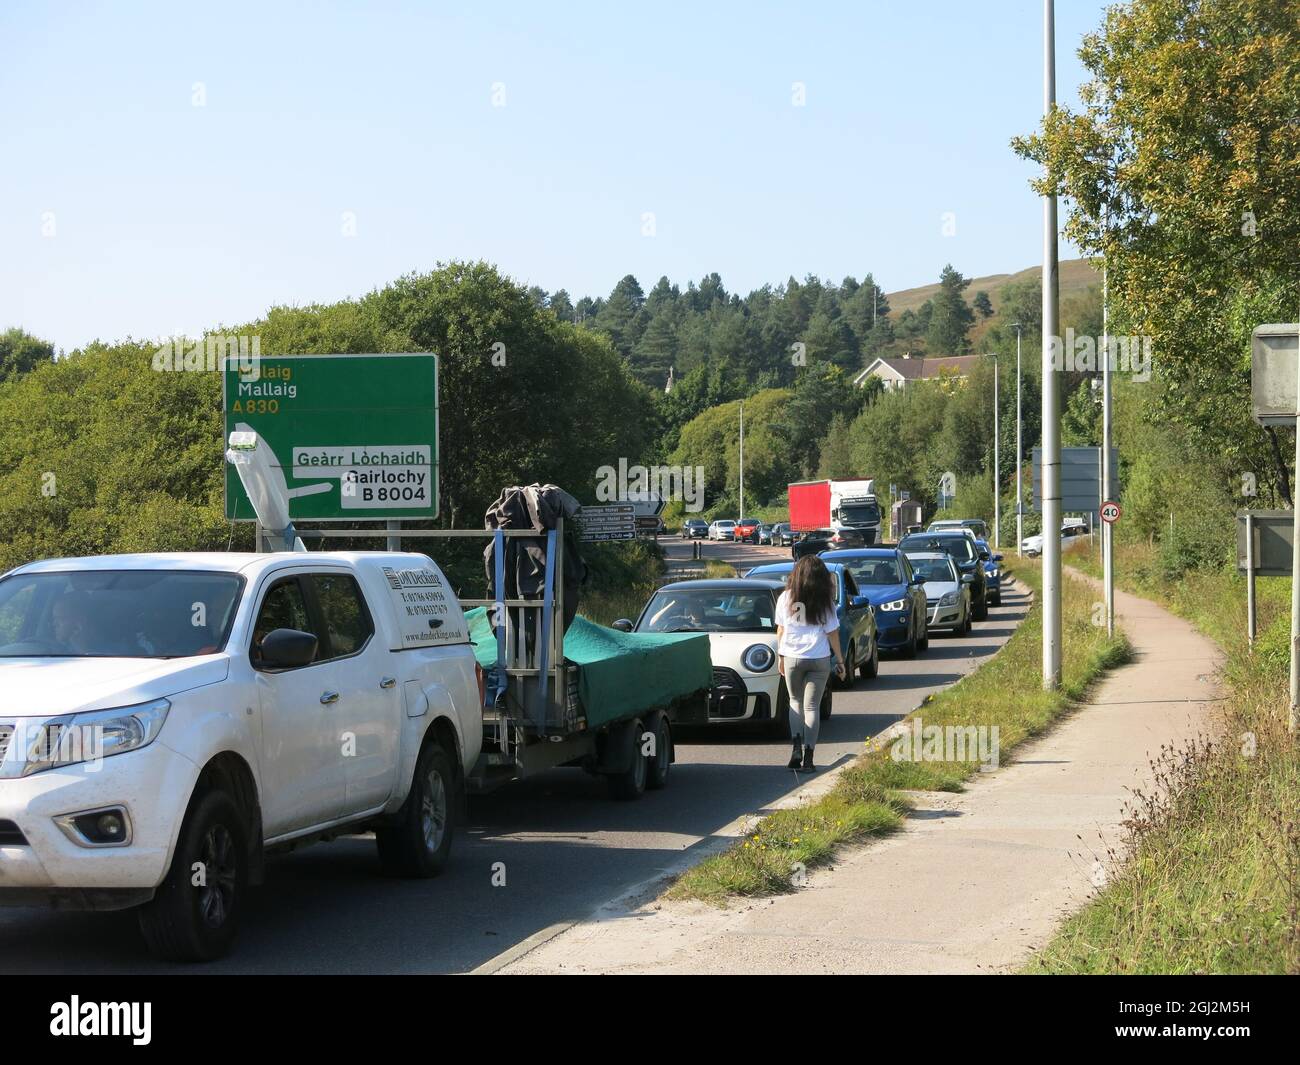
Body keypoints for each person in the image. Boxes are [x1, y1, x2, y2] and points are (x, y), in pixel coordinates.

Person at [775, 556, 845, 770]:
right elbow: (832, 633)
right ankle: (809, 757)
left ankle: (795, 748)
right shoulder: (826, 602)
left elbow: (781, 630)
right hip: (819, 657)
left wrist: (780, 657)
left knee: (795, 702)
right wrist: (840, 661)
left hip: (792, 656)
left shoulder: (786, 598)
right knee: (812, 706)